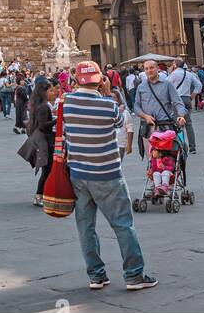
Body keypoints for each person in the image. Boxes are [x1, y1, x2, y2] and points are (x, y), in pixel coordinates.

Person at [63, 61, 156, 291]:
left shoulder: (65, 104)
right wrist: (106, 94)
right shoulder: (107, 106)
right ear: (99, 80)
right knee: (123, 225)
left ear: (76, 80)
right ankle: (134, 276)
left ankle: (96, 275)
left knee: (86, 227)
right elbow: (118, 122)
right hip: (107, 174)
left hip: (78, 174)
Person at [132, 60, 187, 141]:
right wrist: (145, 116)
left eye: (151, 68)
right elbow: (136, 106)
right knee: (151, 153)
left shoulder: (167, 84)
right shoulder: (141, 87)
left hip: (166, 126)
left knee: (172, 151)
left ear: (157, 68)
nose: (149, 70)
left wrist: (181, 116)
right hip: (148, 127)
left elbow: (178, 102)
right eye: (146, 69)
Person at [26, 76, 55, 206]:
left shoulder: (36, 105)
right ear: (44, 92)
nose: (52, 93)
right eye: (50, 91)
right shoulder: (43, 107)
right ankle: (39, 196)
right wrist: (58, 119)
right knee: (47, 170)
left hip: (41, 139)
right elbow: (43, 125)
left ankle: (43, 195)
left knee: (47, 170)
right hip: (45, 141)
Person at [168, 61, 201, 154]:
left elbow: (165, 85)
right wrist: (193, 95)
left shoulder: (173, 74)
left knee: (178, 124)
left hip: (177, 100)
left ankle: (181, 145)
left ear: (175, 65)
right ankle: (192, 147)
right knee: (188, 124)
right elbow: (199, 85)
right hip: (187, 99)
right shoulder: (189, 74)